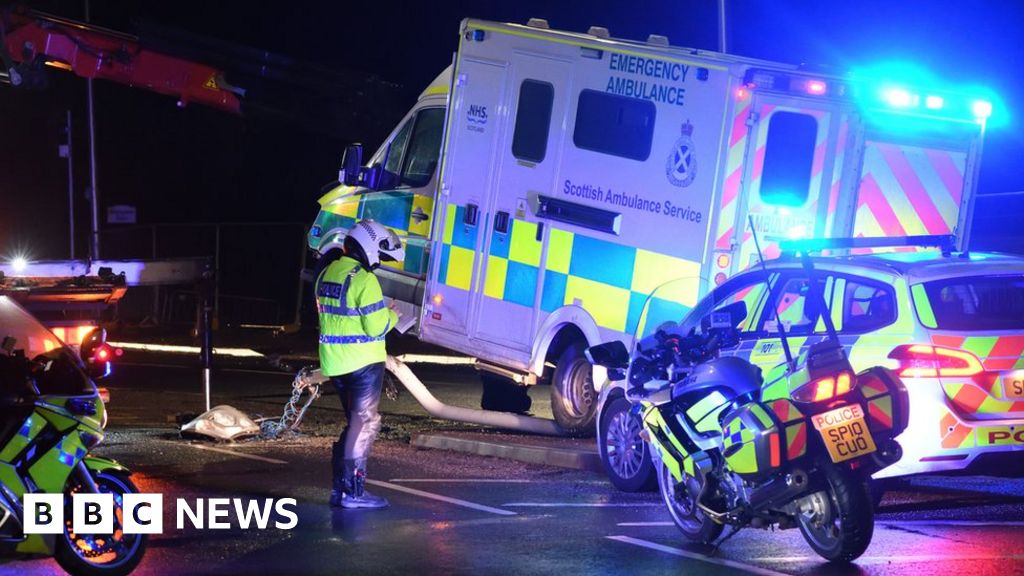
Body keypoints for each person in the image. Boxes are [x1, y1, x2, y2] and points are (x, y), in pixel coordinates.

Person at [315, 219, 404, 509]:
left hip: (336, 363)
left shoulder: (327, 273)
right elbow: (376, 327)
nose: (380, 259)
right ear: (369, 247)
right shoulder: (364, 279)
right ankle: (354, 493)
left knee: (353, 423)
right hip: (364, 362)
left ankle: (339, 488)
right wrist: (393, 315)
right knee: (364, 423)